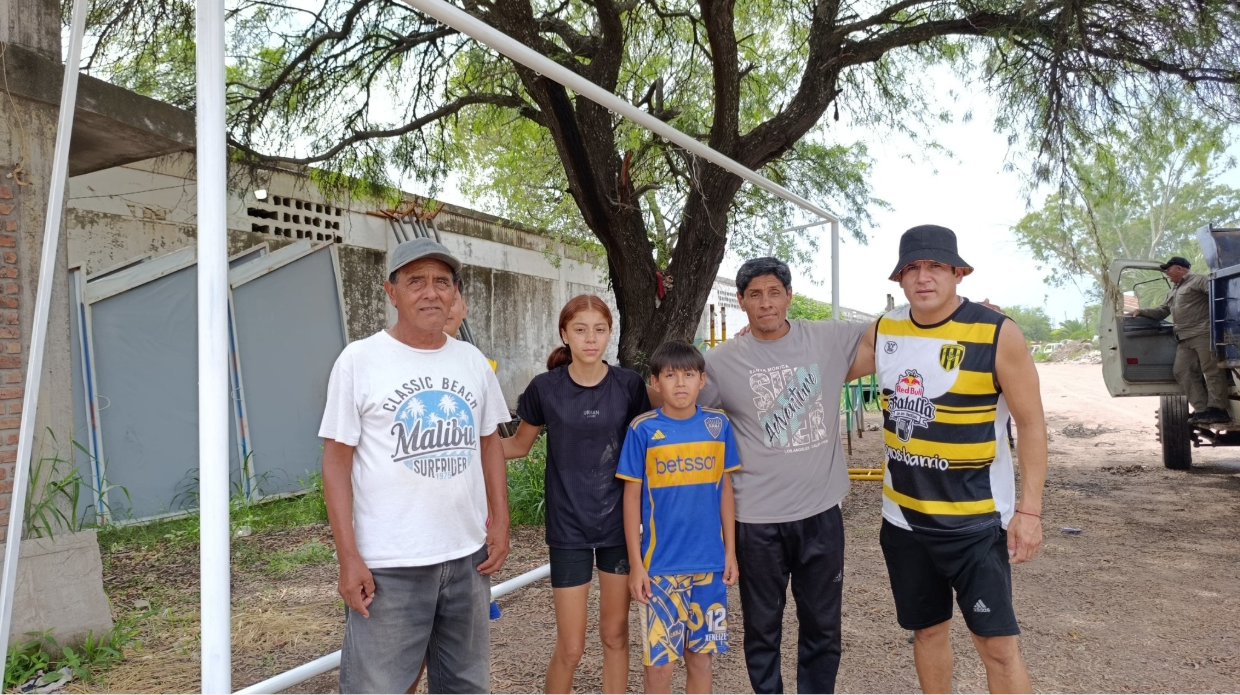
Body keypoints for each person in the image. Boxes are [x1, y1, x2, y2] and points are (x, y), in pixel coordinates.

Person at [849, 224, 1048, 694]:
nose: (923, 277)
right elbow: (824, 364)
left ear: (958, 273)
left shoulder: (997, 332)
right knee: (927, 631)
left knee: (997, 647)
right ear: (898, 279)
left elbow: (1032, 424)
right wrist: (763, 341)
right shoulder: (883, 329)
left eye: (936, 266)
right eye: (912, 268)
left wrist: (1031, 510)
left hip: (976, 522)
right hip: (904, 520)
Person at [319, 237, 511, 694]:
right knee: (378, 688)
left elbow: (489, 445)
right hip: (390, 566)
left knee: (466, 687)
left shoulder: (472, 363)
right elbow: (335, 462)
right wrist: (349, 558)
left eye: (442, 282)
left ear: (455, 293)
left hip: (467, 559)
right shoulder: (359, 361)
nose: (431, 293)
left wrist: (501, 521)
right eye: (416, 281)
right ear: (392, 292)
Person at [697, 256, 871, 694]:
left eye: (774, 292)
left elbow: (893, 333)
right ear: (741, 302)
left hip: (820, 514)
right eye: (755, 295)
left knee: (823, 627)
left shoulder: (827, 337)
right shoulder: (722, 361)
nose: (766, 303)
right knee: (762, 630)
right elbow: (678, 397)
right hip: (755, 521)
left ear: (789, 296)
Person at [501, 295, 651, 694]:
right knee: (570, 647)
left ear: (610, 334)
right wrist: (462, 447)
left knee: (616, 637)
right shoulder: (545, 388)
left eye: (599, 330)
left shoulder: (629, 385)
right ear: (564, 334)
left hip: (619, 528)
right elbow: (517, 446)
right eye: (580, 330)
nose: (590, 339)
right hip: (568, 530)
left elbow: (649, 448)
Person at [617, 340, 740, 695]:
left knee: (700, 659)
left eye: (689, 374)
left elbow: (726, 491)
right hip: (659, 570)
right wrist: (636, 565)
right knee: (659, 667)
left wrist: (730, 552)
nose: (681, 383)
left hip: (710, 566)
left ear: (702, 380)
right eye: (670, 375)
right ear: (655, 382)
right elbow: (631, 500)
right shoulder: (642, 430)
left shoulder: (718, 426)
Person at [1128, 256, 1229, 424]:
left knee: (1211, 371)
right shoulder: (1173, 290)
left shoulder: (1199, 280)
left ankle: (1218, 410)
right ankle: (1202, 410)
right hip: (1184, 338)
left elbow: (1218, 295)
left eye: (1169, 268)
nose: (1167, 272)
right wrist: (1141, 311)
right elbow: (1162, 311)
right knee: (1181, 371)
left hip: (1203, 334)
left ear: (1180, 269)